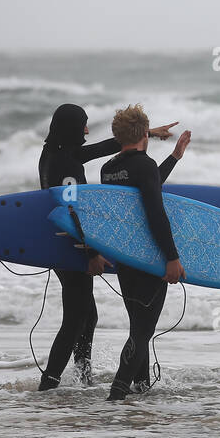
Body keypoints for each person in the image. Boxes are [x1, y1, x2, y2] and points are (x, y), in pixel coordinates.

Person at [36, 103, 180, 391]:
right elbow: (72, 208)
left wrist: (144, 133)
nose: (87, 131)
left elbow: (99, 150)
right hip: (73, 247)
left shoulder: (55, 153)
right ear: (71, 129)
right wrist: (91, 253)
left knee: (86, 316)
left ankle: (82, 377)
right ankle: (50, 382)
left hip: (65, 244)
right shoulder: (66, 163)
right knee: (77, 318)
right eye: (83, 126)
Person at [100, 104, 191, 401]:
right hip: (150, 256)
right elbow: (155, 211)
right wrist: (172, 257)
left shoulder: (109, 169)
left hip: (126, 257)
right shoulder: (144, 165)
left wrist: (174, 157)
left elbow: (144, 186)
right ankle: (117, 394)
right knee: (142, 332)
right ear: (143, 133)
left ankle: (141, 391)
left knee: (139, 327)